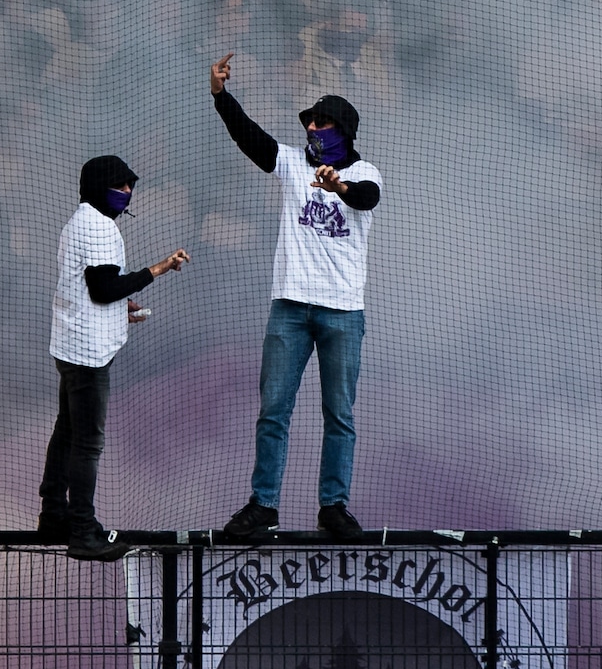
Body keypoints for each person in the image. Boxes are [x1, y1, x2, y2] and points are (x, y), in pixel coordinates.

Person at [209, 54, 381, 542]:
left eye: (322, 121)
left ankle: (333, 506)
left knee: (339, 415)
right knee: (273, 411)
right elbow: (251, 137)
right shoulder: (290, 163)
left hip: (343, 310)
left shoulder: (367, 171)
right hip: (289, 306)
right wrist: (221, 96)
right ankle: (264, 506)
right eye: (309, 120)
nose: (311, 126)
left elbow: (365, 198)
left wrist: (338, 184)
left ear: (343, 130)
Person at [40, 154, 188, 559]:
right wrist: (158, 268)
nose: (127, 192)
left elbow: (88, 288)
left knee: (67, 433)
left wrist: (120, 312)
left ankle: (54, 514)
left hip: (71, 346)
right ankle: (83, 531)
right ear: (98, 187)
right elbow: (103, 289)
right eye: (120, 185)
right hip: (88, 354)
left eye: (130, 185)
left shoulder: (80, 220)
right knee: (87, 444)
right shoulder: (99, 227)